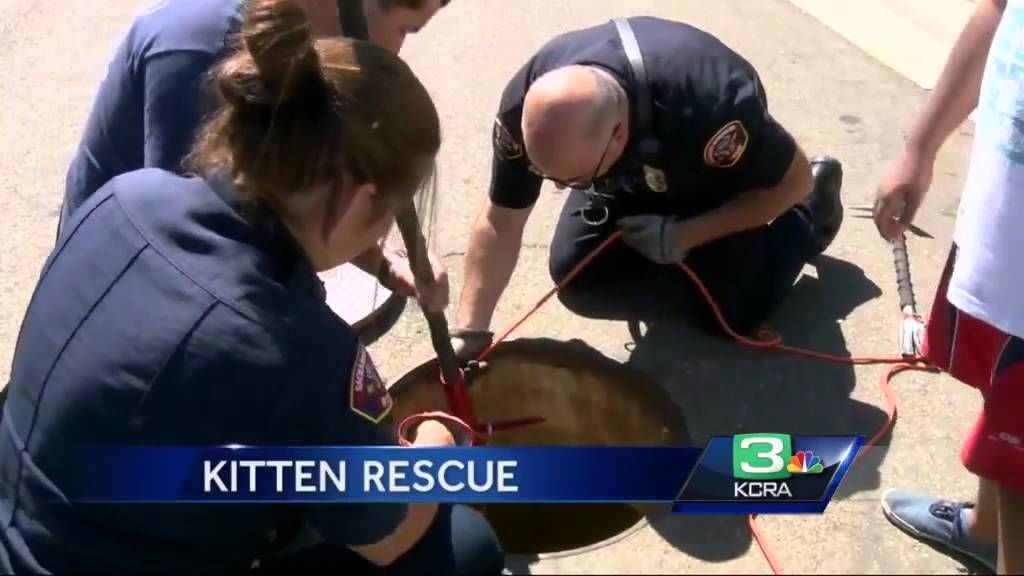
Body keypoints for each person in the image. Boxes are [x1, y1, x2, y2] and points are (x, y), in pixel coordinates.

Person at [0, 1, 503, 574]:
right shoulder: (294, 348)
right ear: (363, 200)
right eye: (387, 213)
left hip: (25, 533)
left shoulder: (126, 197)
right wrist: (439, 439)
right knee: (462, 546)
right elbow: (389, 536)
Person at [449, 16, 845, 360]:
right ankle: (684, 270)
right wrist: (470, 330)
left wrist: (686, 234)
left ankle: (810, 219)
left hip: (706, 179)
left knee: (735, 315)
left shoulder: (712, 106)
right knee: (578, 280)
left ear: (618, 135)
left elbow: (793, 181)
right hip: (625, 173)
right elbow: (502, 218)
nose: (558, 189)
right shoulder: (528, 108)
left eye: (570, 182)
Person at [59, 0, 450, 307]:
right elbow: (183, 255)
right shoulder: (203, 49)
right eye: (405, 29)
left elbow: (293, 191)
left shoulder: (294, 44)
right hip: (116, 285)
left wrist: (383, 259)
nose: (398, 51)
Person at [874, 0, 1023, 573]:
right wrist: (920, 147)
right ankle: (987, 532)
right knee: (1003, 396)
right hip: (1005, 221)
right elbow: (998, 9)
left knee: (1020, 458)